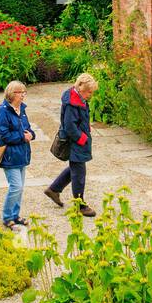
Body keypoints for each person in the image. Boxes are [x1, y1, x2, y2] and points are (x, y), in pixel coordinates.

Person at [44, 72, 98, 217]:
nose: (90, 95)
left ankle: (54, 189)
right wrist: (82, 138)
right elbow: (69, 126)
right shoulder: (72, 103)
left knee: (75, 167)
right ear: (80, 87)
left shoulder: (77, 98)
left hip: (78, 140)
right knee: (79, 172)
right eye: (88, 92)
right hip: (74, 141)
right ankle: (80, 205)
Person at [0, 80, 34, 230]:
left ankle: (15, 215)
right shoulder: (3, 111)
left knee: (20, 187)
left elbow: (28, 128)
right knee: (16, 186)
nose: (23, 95)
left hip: (22, 154)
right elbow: (2, 135)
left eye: (24, 92)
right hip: (10, 156)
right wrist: (22, 137)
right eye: (20, 92)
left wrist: (31, 134)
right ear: (12, 94)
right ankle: (7, 217)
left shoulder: (21, 109)